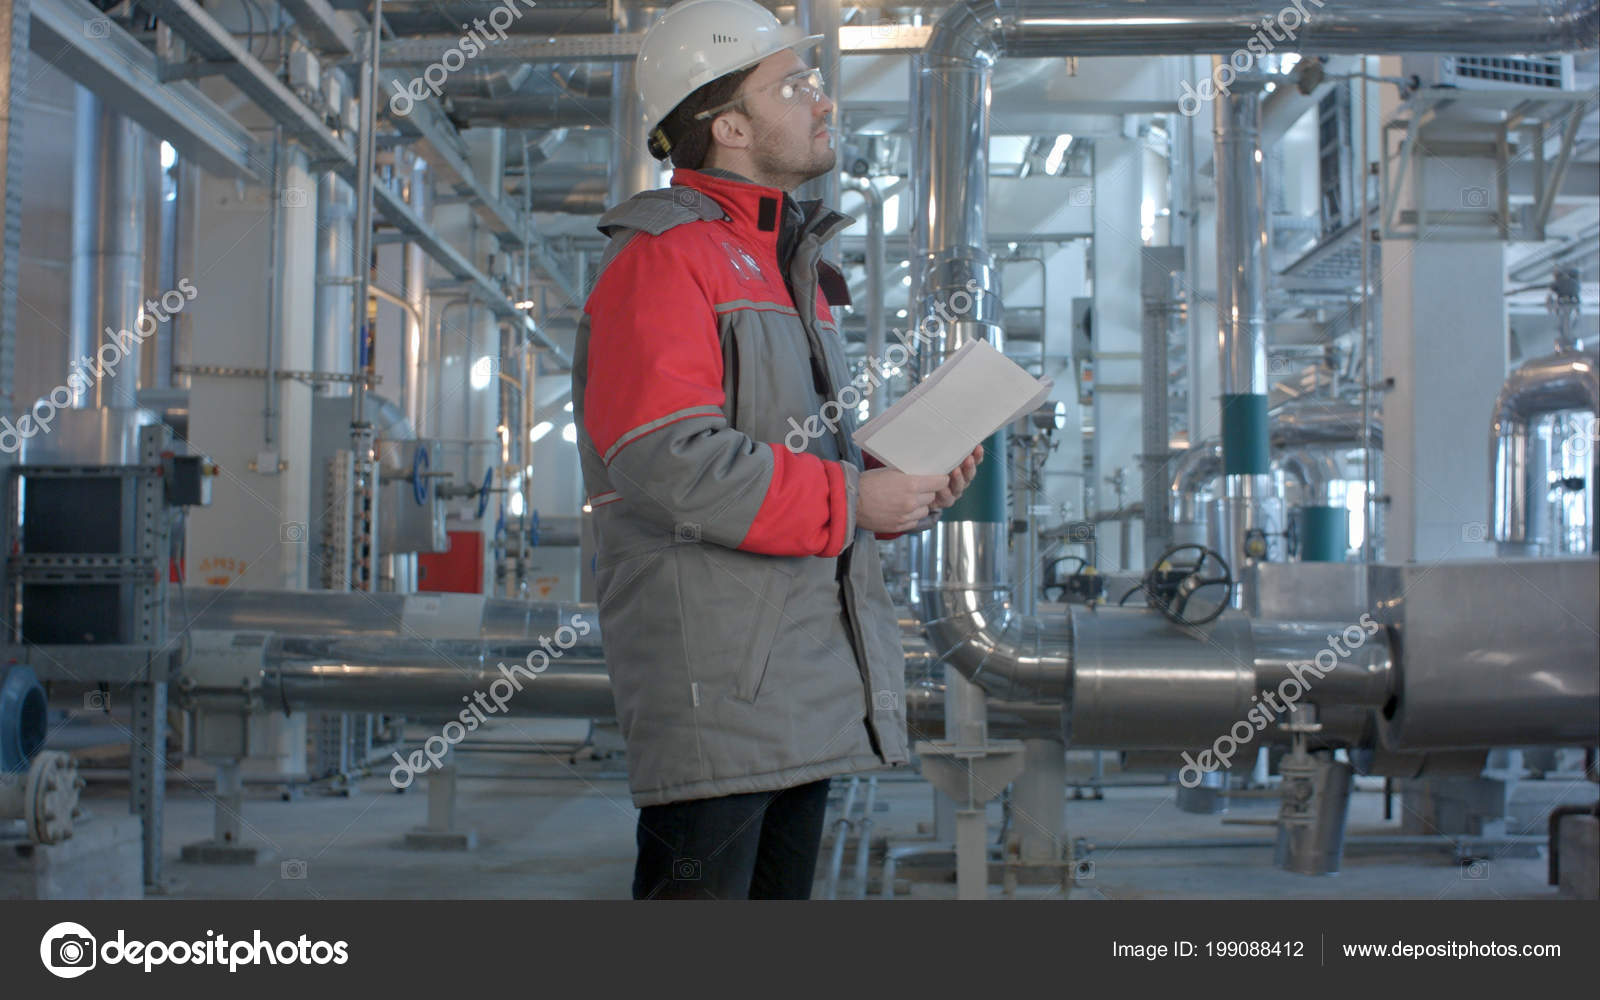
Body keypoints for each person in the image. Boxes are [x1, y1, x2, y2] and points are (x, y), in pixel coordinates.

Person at [572, 0, 982, 900]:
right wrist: (849, 501)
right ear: (728, 125)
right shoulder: (666, 257)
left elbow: (784, 459)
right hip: (721, 687)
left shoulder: (786, 263)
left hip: (799, 677)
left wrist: (894, 486)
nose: (824, 101)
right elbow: (666, 456)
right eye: (795, 85)